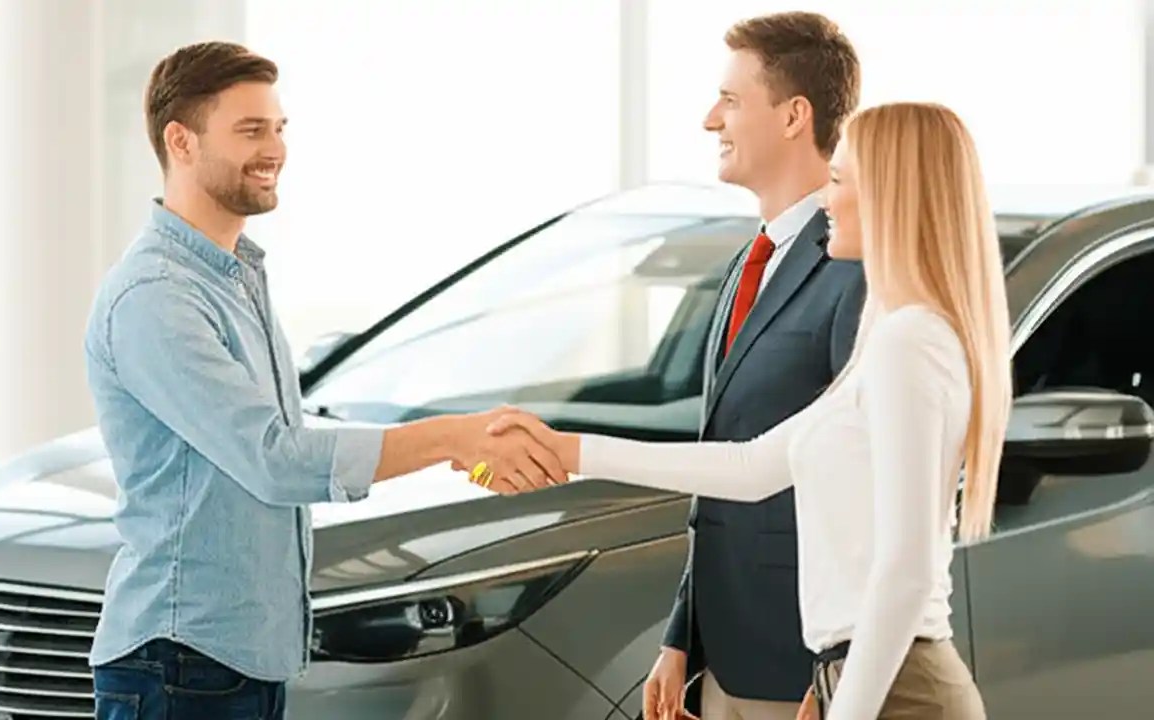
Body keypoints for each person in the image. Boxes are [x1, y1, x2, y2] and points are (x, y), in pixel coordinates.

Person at [83, 42, 564, 720]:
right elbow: (275, 460)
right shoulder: (158, 296)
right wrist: (453, 438)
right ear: (181, 142)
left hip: (237, 660)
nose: (275, 148)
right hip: (180, 667)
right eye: (250, 130)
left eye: (279, 128)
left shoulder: (233, 276)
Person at [487, 101, 1009, 720]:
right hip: (870, 680)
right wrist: (565, 448)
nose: (824, 202)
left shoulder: (909, 342)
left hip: (903, 691)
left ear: (890, 197)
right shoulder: (891, 334)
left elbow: (906, 570)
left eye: (839, 181)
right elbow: (752, 468)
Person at [599, 11, 866, 720]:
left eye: (730, 99)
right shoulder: (749, 264)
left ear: (793, 116)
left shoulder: (854, 268)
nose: (709, 119)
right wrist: (682, 636)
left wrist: (839, 669)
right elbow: (722, 463)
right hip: (724, 654)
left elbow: (863, 490)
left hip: (804, 666)